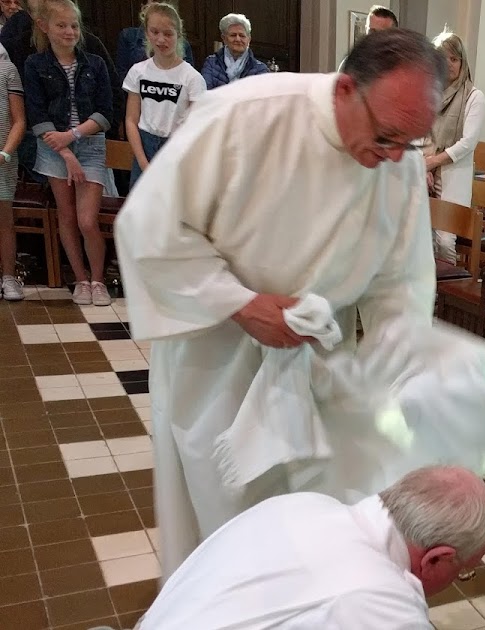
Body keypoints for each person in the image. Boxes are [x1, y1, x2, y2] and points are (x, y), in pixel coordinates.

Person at [114, 27, 446, 579]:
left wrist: (403, 377)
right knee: (221, 522)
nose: (392, 157)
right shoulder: (243, 114)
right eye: (385, 137)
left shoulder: (398, 158)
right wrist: (241, 304)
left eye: (408, 144)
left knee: (312, 521)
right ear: (344, 89)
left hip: (318, 362)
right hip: (218, 354)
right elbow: (150, 226)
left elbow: (402, 281)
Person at [137, 466, 485, 629]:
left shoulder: (303, 504)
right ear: (437, 558)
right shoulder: (384, 603)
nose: (459, 578)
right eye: (464, 571)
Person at [24, 0, 113, 306]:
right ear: (44, 27)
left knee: (87, 219)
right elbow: (36, 115)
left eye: (74, 26)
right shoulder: (35, 65)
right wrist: (65, 152)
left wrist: (73, 136)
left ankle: (99, 279)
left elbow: (105, 113)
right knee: (67, 216)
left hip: (88, 143)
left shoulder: (95, 64)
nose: (69, 31)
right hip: (53, 150)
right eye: (61, 25)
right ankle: (81, 279)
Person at [121, 2, 204, 187]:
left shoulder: (192, 78)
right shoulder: (138, 71)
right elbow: (131, 119)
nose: (161, 40)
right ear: (147, 33)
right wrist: (143, 162)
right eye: (154, 32)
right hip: (144, 146)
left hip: (175, 149)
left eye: (168, 34)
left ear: (178, 35)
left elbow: (195, 127)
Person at [422, 29, 484, 264]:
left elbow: (468, 142)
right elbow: (422, 133)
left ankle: (451, 290)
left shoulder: (474, 96)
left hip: (452, 175)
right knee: (423, 240)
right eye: (442, 58)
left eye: (454, 59)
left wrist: (433, 162)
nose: (448, 64)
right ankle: (432, 294)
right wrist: (425, 166)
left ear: (462, 62)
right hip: (427, 173)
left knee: (445, 241)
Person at [115, 0, 194, 86]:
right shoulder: (127, 36)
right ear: (143, 7)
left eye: (168, 34)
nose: (161, 40)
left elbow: (188, 81)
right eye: (154, 3)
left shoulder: (184, 46)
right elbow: (122, 74)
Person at [0, 40, 24, 301]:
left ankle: (8, 276)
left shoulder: (7, 69)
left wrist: (5, 152)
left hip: (2, 156)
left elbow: (18, 119)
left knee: (4, 221)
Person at [200, 12, 268, 90]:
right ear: (224, 38)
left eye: (242, 35)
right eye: (233, 35)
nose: (238, 39)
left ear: (249, 39)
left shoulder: (260, 69)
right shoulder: (211, 63)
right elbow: (205, 93)